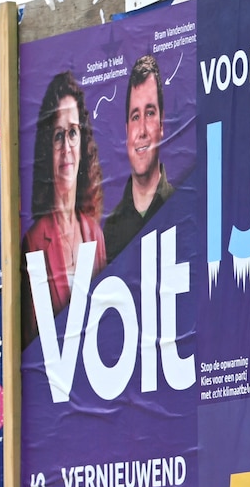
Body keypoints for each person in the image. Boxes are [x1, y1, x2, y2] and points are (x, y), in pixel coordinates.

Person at [22, 70, 106, 340]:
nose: (67, 147)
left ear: (83, 142)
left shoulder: (96, 236)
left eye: (72, 133)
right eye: (58, 135)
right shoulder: (34, 243)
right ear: (48, 147)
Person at [104, 54, 176, 261]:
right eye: (135, 117)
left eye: (150, 113)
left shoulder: (181, 206)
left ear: (162, 124)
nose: (142, 130)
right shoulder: (111, 229)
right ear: (127, 130)